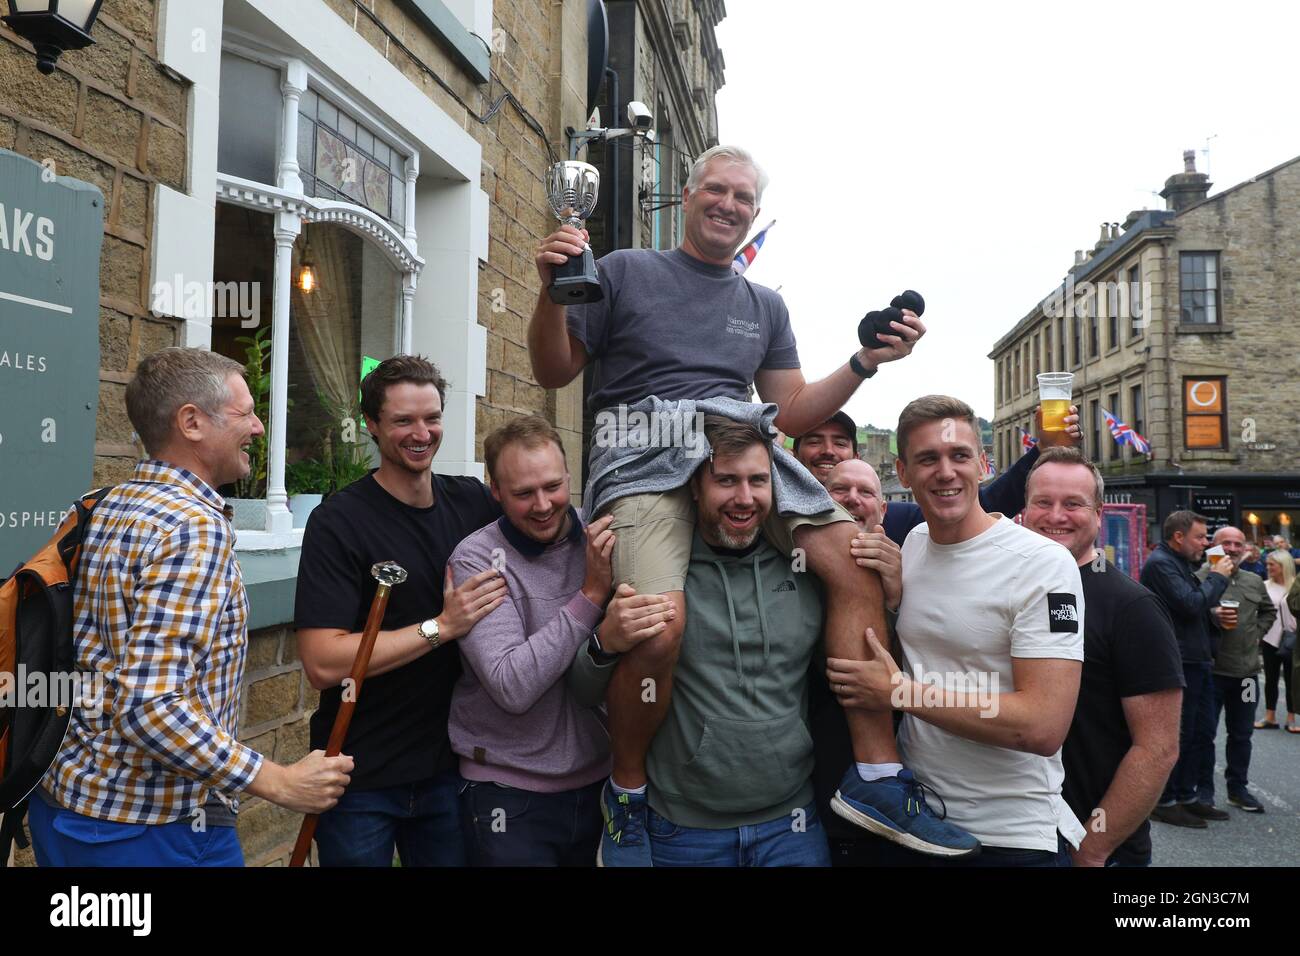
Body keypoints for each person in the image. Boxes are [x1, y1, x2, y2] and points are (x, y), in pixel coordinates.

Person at [530, 144, 974, 863]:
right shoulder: (624, 271)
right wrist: (551, 292)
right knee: (657, 627)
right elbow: (552, 369)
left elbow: (792, 412)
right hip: (642, 460)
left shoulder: (763, 305)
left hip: (738, 454)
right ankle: (630, 793)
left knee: (856, 565)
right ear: (687, 194)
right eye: (717, 190)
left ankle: (876, 774)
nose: (729, 205)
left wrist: (865, 363)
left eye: (743, 197)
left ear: (752, 213)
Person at [30, 348, 353, 867]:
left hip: (69, 807)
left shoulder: (102, 503)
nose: (259, 427)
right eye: (246, 412)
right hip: (151, 830)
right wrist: (280, 781)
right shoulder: (191, 527)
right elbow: (149, 706)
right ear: (191, 422)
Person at [825, 395, 1086, 866]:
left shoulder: (1043, 564)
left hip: (1010, 838)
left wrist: (900, 693)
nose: (945, 472)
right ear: (903, 475)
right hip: (914, 823)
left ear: (983, 463)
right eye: (928, 459)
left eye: (959, 456)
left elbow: (1043, 725)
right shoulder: (916, 544)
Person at [568, 417, 833, 866]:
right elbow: (585, 692)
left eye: (757, 481)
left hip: (792, 824)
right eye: (726, 481)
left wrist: (888, 595)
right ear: (694, 487)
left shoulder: (803, 568)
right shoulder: (658, 575)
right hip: (683, 831)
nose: (744, 498)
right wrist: (603, 643)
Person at [294, 355, 509, 866]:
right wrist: (443, 626)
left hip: (452, 768)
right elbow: (322, 661)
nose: (422, 433)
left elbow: (541, 518)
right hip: (359, 773)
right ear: (371, 424)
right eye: (403, 421)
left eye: (431, 418)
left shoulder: (473, 503)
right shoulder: (339, 522)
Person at [448, 416, 662, 865]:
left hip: (600, 783)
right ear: (497, 492)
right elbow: (512, 685)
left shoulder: (603, 539)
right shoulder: (478, 559)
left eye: (553, 486)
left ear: (570, 478)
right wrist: (590, 596)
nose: (544, 505)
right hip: (508, 795)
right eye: (524, 493)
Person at [1023, 447, 1183, 867]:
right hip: (1013, 839)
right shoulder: (1009, 590)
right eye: (1044, 502)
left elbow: (1158, 748)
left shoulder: (1132, 607)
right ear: (1024, 510)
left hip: (1093, 852)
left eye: (1073, 504)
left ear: (1098, 513)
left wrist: (1093, 846)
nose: (1056, 515)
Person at [1141, 510, 1234, 829]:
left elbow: (1194, 608)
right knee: (1177, 734)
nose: (1206, 543)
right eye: (1200, 537)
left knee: (1200, 732)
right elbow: (1190, 603)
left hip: (1198, 659)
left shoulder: (1179, 562)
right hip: (1179, 660)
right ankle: (1164, 802)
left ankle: (1187, 796)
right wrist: (1218, 576)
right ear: (1178, 537)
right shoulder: (1162, 563)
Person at [1194, 526, 1275, 813]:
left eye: (1238, 544)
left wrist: (1257, 634)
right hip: (1212, 673)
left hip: (1247, 674)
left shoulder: (1254, 580)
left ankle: (1238, 789)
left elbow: (1269, 611)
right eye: (1225, 543)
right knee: (1204, 735)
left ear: (1245, 549)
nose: (1231, 548)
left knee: (1242, 735)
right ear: (1213, 547)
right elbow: (1184, 613)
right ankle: (1203, 791)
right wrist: (1211, 615)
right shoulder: (1200, 578)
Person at [1257, 549, 1297, 732]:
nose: (1268, 567)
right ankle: (1270, 716)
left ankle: (1292, 718)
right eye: (1267, 564)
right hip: (1269, 638)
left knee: (1292, 680)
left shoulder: (1296, 586)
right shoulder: (1264, 585)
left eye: (1272, 564)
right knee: (1271, 678)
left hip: (1293, 639)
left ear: (1283, 566)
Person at [792, 410, 860, 485]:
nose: (828, 451)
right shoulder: (777, 494)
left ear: (855, 458)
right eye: (814, 442)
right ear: (795, 455)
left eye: (840, 443)